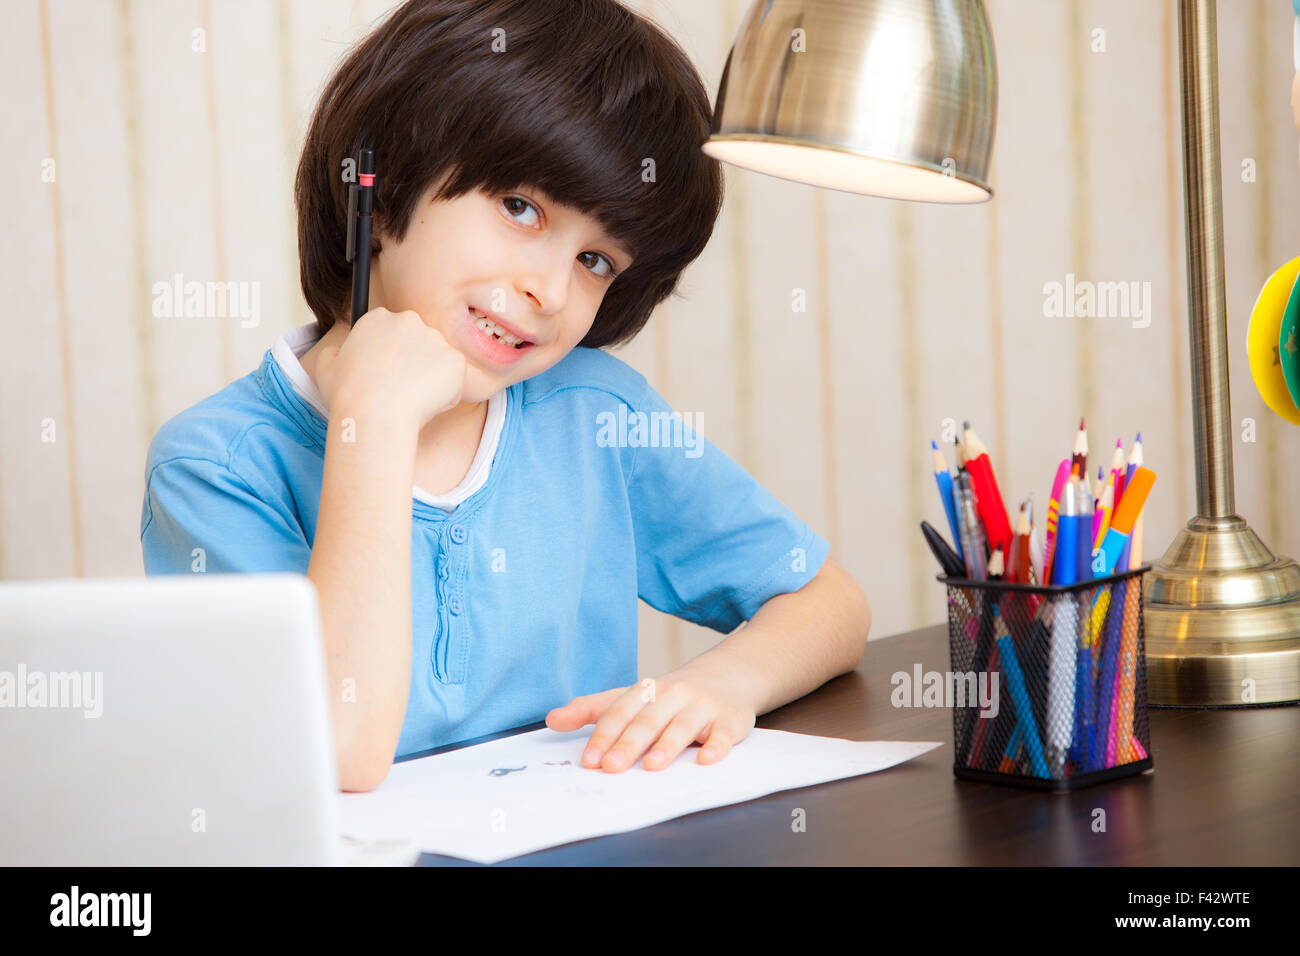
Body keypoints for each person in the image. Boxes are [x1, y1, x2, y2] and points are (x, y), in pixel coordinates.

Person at [141, 0, 871, 792]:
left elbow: (828, 601)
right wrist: (374, 424)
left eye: (597, 260)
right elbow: (340, 749)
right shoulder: (214, 466)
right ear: (378, 198)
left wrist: (725, 682)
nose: (551, 290)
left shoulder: (594, 413)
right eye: (521, 209)